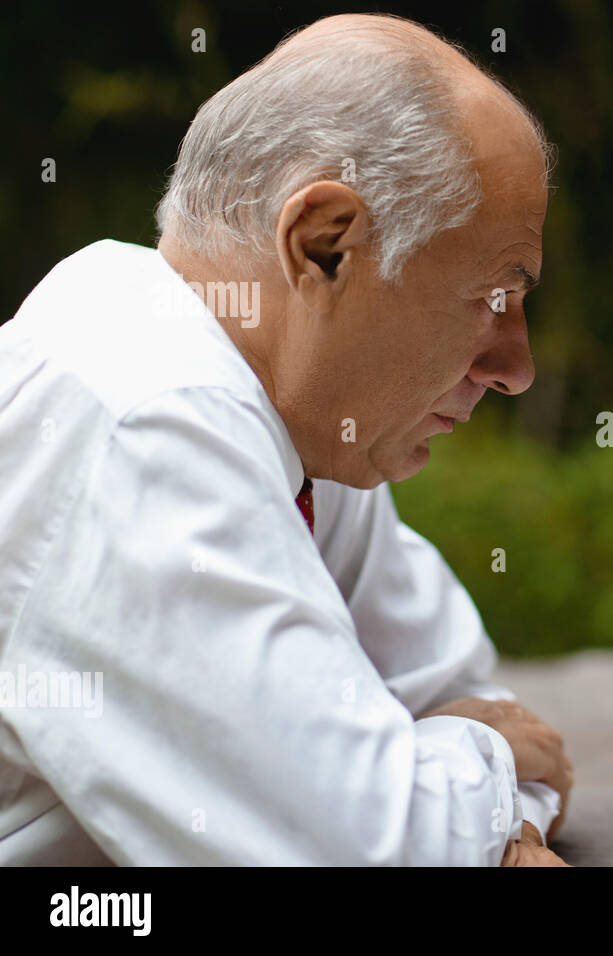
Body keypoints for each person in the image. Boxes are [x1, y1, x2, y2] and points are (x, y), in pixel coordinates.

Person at [0, 13, 572, 866]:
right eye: (494, 294)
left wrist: (480, 802)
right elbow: (375, 847)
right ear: (324, 245)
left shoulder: (303, 430)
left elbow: (474, 702)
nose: (516, 367)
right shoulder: (148, 415)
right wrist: (481, 781)